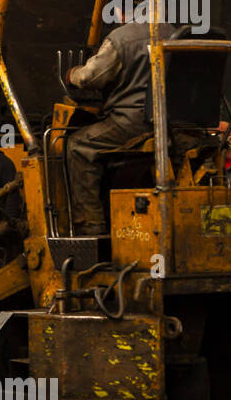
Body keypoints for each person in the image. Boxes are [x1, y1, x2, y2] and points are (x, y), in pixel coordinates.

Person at [63, 12, 172, 236]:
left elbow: (89, 78)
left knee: (78, 146)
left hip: (134, 122)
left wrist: (71, 74)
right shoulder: (174, 33)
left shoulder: (122, 38)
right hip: (173, 123)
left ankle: (91, 227)